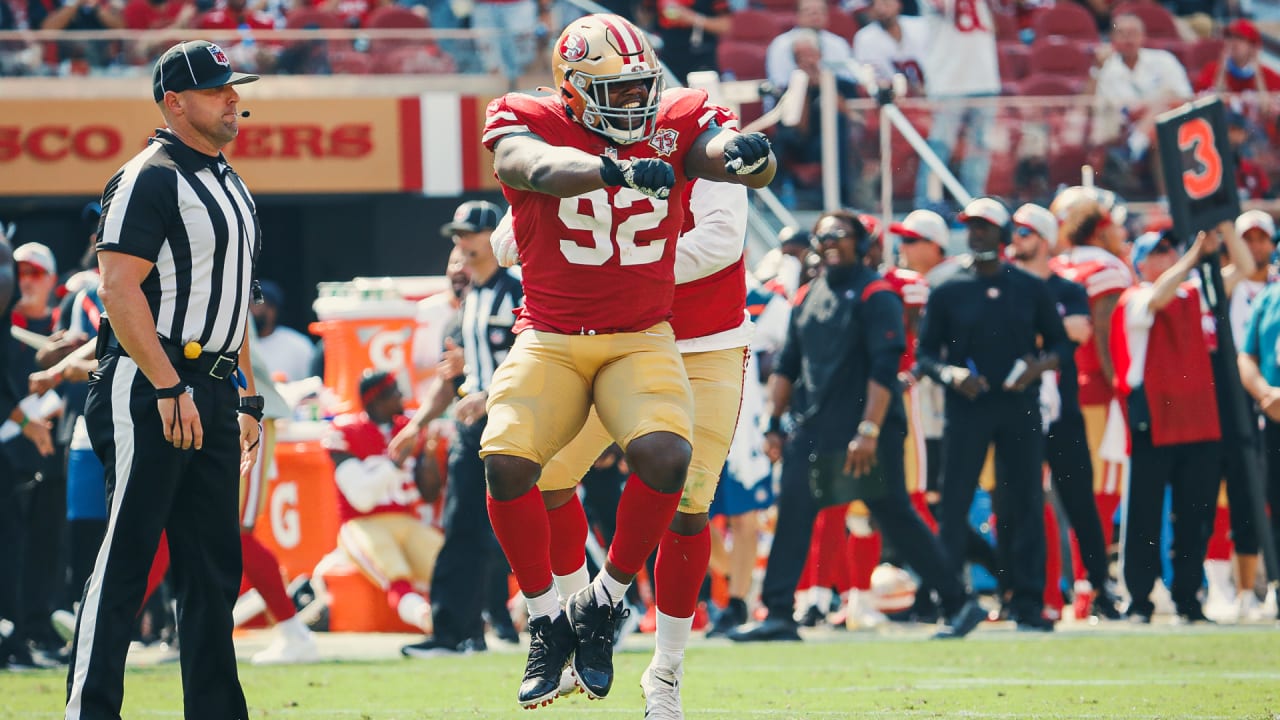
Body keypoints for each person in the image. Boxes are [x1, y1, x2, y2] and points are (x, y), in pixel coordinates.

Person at [478, 12, 775, 709]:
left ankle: (643, 647)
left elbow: (716, 188)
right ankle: (558, 616)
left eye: (639, 88)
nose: (632, 105)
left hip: (665, 335)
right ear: (574, 90)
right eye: (614, 92)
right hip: (568, 331)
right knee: (525, 470)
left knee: (684, 491)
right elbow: (521, 185)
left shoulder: (676, 123)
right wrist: (598, 188)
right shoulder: (536, 121)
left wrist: (742, 151)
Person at [64, 40, 263, 720]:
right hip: (150, 385)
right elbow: (119, 290)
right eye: (216, 90)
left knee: (212, 574)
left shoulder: (230, 180)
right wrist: (169, 384)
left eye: (233, 87)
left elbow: (232, 301)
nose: (234, 98)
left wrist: (246, 394)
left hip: (209, 387)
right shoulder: (148, 175)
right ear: (174, 103)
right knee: (125, 563)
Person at [527, 165, 751, 717]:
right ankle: (584, 618)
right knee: (546, 476)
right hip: (607, 336)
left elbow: (722, 240)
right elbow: (512, 236)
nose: (630, 109)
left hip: (704, 342)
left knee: (690, 503)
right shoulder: (582, 145)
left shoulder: (698, 131)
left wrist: (621, 265)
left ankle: (665, 672)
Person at [729, 210, 986, 645]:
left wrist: (868, 430)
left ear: (862, 243)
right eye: (823, 233)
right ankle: (777, 612)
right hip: (813, 428)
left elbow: (886, 367)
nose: (829, 240)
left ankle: (960, 602)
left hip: (869, 431)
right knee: (793, 510)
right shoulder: (807, 294)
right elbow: (788, 364)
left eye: (840, 234)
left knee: (896, 518)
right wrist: (774, 423)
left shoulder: (876, 294)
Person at [915, 197, 1072, 631]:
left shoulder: (1030, 286)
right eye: (971, 226)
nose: (976, 233)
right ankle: (953, 599)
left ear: (1003, 234)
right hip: (966, 406)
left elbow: (1060, 346)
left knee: (1023, 500)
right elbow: (925, 354)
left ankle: (1027, 601)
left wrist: (1034, 368)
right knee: (954, 504)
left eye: (985, 226)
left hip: (1019, 405)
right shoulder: (948, 287)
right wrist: (951, 374)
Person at [393, 200, 523, 657]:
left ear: (495, 237)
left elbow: (543, 355)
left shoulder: (520, 292)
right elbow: (450, 383)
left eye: (470, 234)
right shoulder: (466, 306)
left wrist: (491, 390)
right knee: (462, 525)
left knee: (543, 517)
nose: (461, 244)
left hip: (522, 421)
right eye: (457, 236)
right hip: (474, 428)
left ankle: (602, 610)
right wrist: (417, 426)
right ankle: (455, 632)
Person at [1009, 202, 1121, 620]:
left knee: (1081, 504)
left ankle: (1097, 585)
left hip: (1063, 409)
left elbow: (1080, 333)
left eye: (1023, 233)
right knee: (1023, 504)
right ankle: (1037, 595)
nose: (1014, 241)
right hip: (1018, 411)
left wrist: (1036, 338)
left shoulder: (1068, 288)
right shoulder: (1007, 286)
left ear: (1042, 237)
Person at [1111, 229, 1223, 624]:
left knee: (1195, 515)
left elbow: (1241, 271)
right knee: (1144, 514)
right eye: (1156, 251)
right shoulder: (1134, 297)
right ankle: (1139, 598)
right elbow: (1158, 297)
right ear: (1139, 262)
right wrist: (1194, 254)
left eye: (1168, 249)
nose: (1166, 255)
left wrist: (1221, 232)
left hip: (1199, 419)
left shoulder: (1196, 294)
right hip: (1154, 419)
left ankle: (1189, 597)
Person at [324, 370, 443, 637]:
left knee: (448, 564)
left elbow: (429, 493)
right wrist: (394, 463)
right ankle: (426, 619)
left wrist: (430, 456)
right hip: (362, 523)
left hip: (406, 520)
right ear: (376, 400)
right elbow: (361, 499)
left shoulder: (408, 428)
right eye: (394, 393)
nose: (402, 397)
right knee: (394, 570)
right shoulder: (346, 431)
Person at [914, 0, 1000, 208]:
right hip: (949, 80)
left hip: (984, 75)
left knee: (980, 147)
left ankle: (975, 203)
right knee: (941, 145)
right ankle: (927, 203)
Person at [1237, 243, 1280, 622]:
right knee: (1276, 503)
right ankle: (1278, 588)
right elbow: (1246, 355)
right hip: (1275, 416)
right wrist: (1265, 391)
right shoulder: (1268, 299)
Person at [250, 280, 315, 382]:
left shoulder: (298, 345)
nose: (249, 311)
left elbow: (312, 388)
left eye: (254, 304)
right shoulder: (236, 346)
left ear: (272, 311)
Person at [1192, 19, 1280, 94]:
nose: (1233, 42)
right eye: (1229, 37)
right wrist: (1221, 71)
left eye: (1239, 38)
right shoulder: (1211, 70)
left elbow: (1267, 110)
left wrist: (1258, 76)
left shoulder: (1268, 75)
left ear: (1253, 46)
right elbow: (1208, 106)